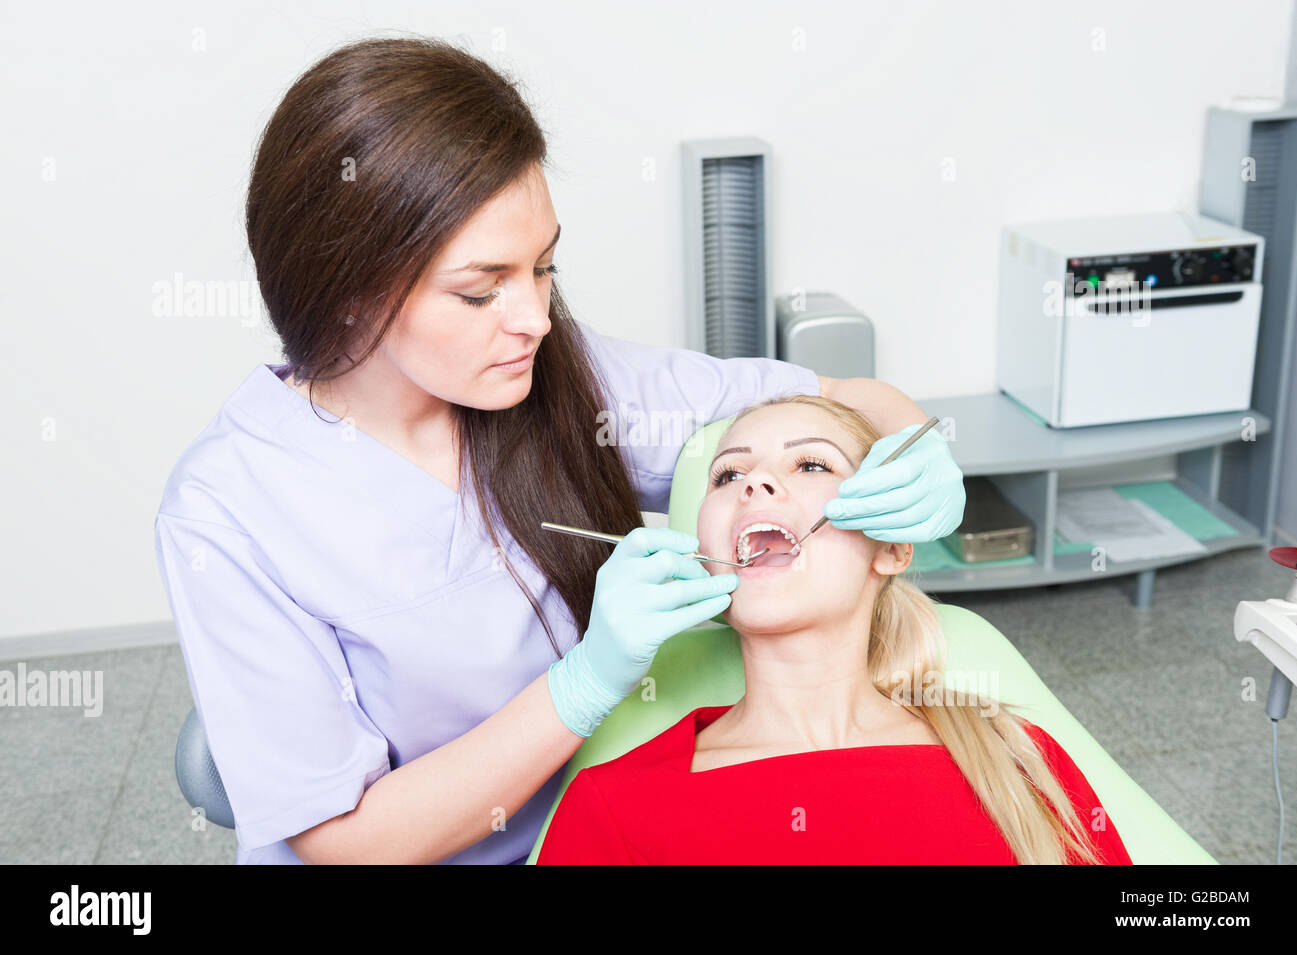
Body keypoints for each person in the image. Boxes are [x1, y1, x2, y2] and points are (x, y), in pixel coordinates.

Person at [152, 35, 966, 864]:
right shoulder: (227, 509)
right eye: (481, 289)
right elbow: (345, 842)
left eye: (544, 267)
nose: (536, 318)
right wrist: (584, 685)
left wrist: (912, 440)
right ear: (352, 292)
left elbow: (830, 403)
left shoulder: (558, 372)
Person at [536, 395, 1132, 864]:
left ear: (891, 548)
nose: (754, 484)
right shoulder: (614, 806)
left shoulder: (1012, 758)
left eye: (811, 463)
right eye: (726, 475)